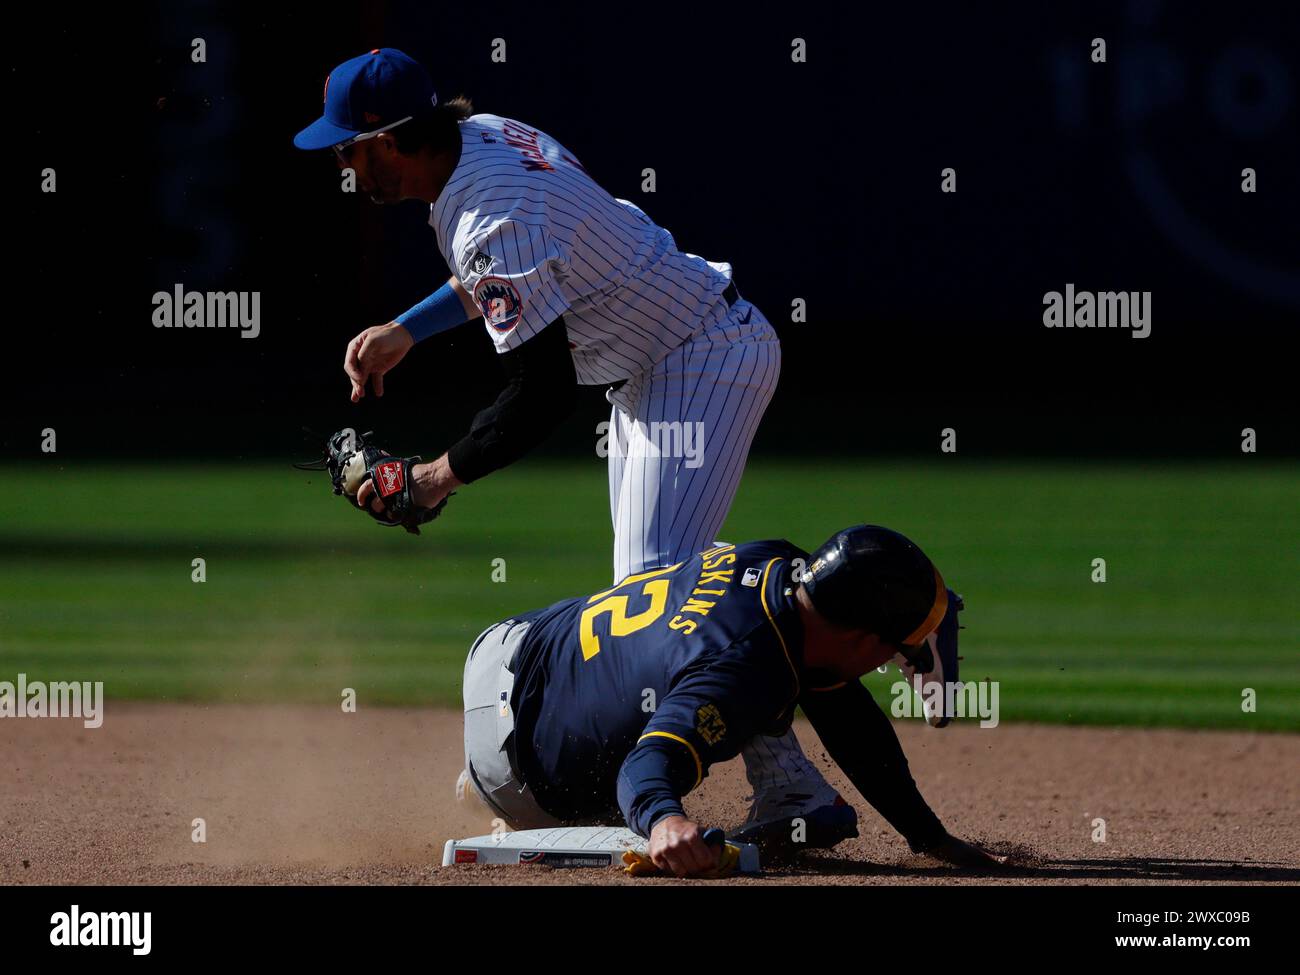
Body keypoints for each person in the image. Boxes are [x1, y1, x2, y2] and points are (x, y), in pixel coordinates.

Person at [294, 47, 851, 840]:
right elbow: (513, 268)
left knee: (662, 598)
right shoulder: (479, 139)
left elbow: (542, 391)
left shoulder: (491, 209)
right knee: (647, 602)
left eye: (349, 147)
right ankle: (780, 783)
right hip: (656, 363)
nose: (345, 164)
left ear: (391, 139)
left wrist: (433, 478)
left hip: (701, 358)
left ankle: (781, 788)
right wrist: (407, 332)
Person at [458, 524, 1004, 877]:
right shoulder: (747, 667)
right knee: (703, 728)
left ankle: (480, 777)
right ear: (861, 639)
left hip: (512, 641)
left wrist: (928, 837)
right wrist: (665, 820)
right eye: (891, 651)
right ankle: (485, 785)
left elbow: (848, 718)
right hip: (517, 762)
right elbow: (646, 764)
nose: (887, 663)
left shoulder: (783, 569)